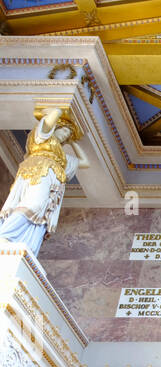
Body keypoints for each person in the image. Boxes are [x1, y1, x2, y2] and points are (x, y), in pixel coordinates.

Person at [0, 107, 88, 256]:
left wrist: (72, 141)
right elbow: (49, 120)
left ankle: (27, 247)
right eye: (64, 131)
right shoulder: (42, 139)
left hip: (54, 181)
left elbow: (85, 162)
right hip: (40, 171)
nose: (65, 136)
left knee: (43, 216)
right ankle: (5, 235)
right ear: (56, 128)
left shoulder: (61, 157)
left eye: (67, 135)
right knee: (34, 205)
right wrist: (59, 109)